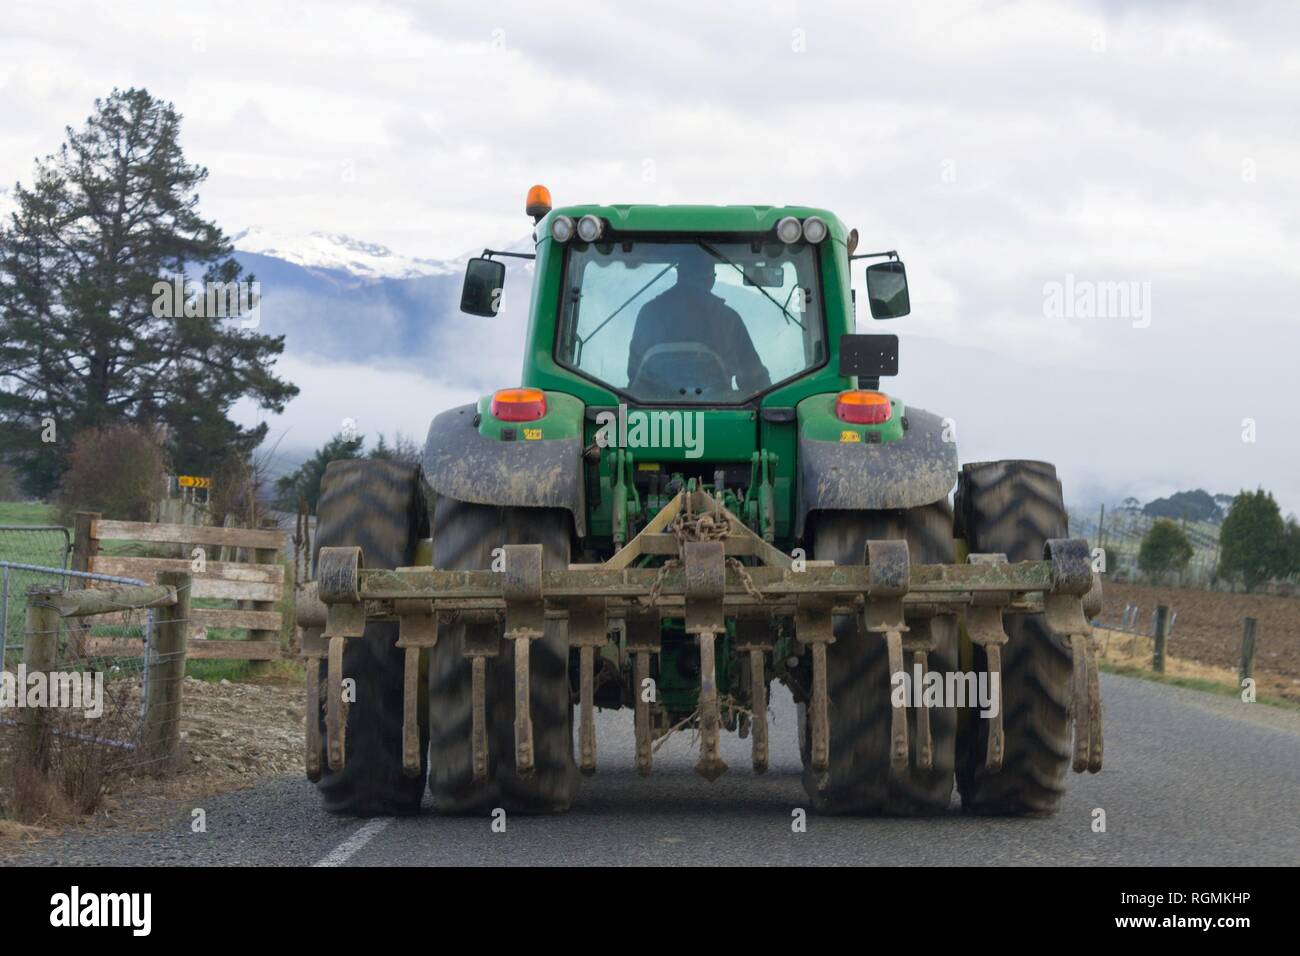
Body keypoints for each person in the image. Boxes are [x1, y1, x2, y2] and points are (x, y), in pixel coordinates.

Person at [626, 254, 771, 395]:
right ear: (710, 279)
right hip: (721, 414)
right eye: (712, 274)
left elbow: (634, 373)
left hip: (653, 415)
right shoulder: (728, 319)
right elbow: (753, 378)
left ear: (679, 274)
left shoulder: (649, 313)